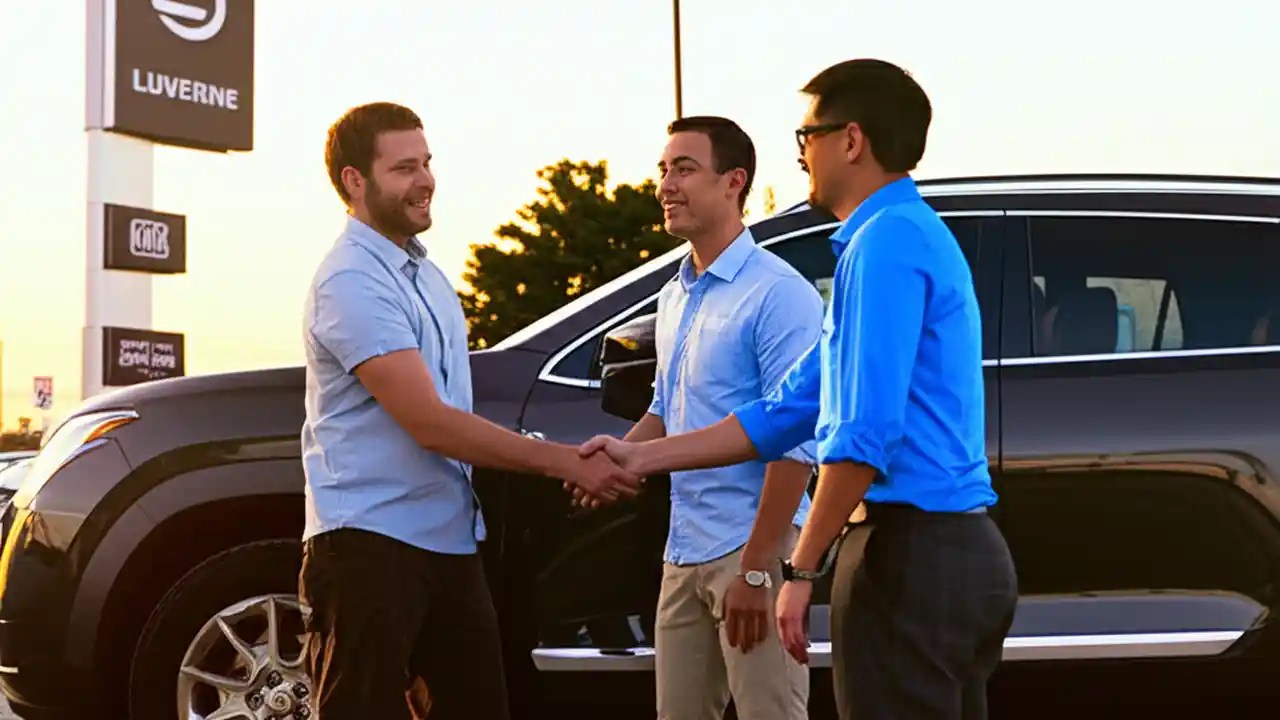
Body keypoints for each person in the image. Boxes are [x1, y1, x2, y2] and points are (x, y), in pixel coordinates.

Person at [580, 60, 1019, 720]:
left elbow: (863, 436)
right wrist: (639, 457)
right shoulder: (885, 240)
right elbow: (784, 412)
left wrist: (797, 569)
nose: (801, 156)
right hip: (938, 557)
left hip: (914, 556)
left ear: (851, 140)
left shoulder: (887, 243)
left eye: (805, 137)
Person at [299, 101, 641, 720]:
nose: (425, 179)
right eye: (404, 167)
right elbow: (430, 421)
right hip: (370, 547)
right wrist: (564, 461)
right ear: (355, 180)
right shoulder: (349, 281)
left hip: (452, 541)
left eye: (426, 163)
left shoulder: (426, 277)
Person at [585, 116, 823, 719]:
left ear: (734, 182)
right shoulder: (675, 293)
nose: (667, 184)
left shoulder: (778, 293)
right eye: (664, 169)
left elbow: (794, 442)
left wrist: (757, 571)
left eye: (685, 169)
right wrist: (614, 460)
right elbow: (667, 407)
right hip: (682, 551)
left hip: (752, 549)